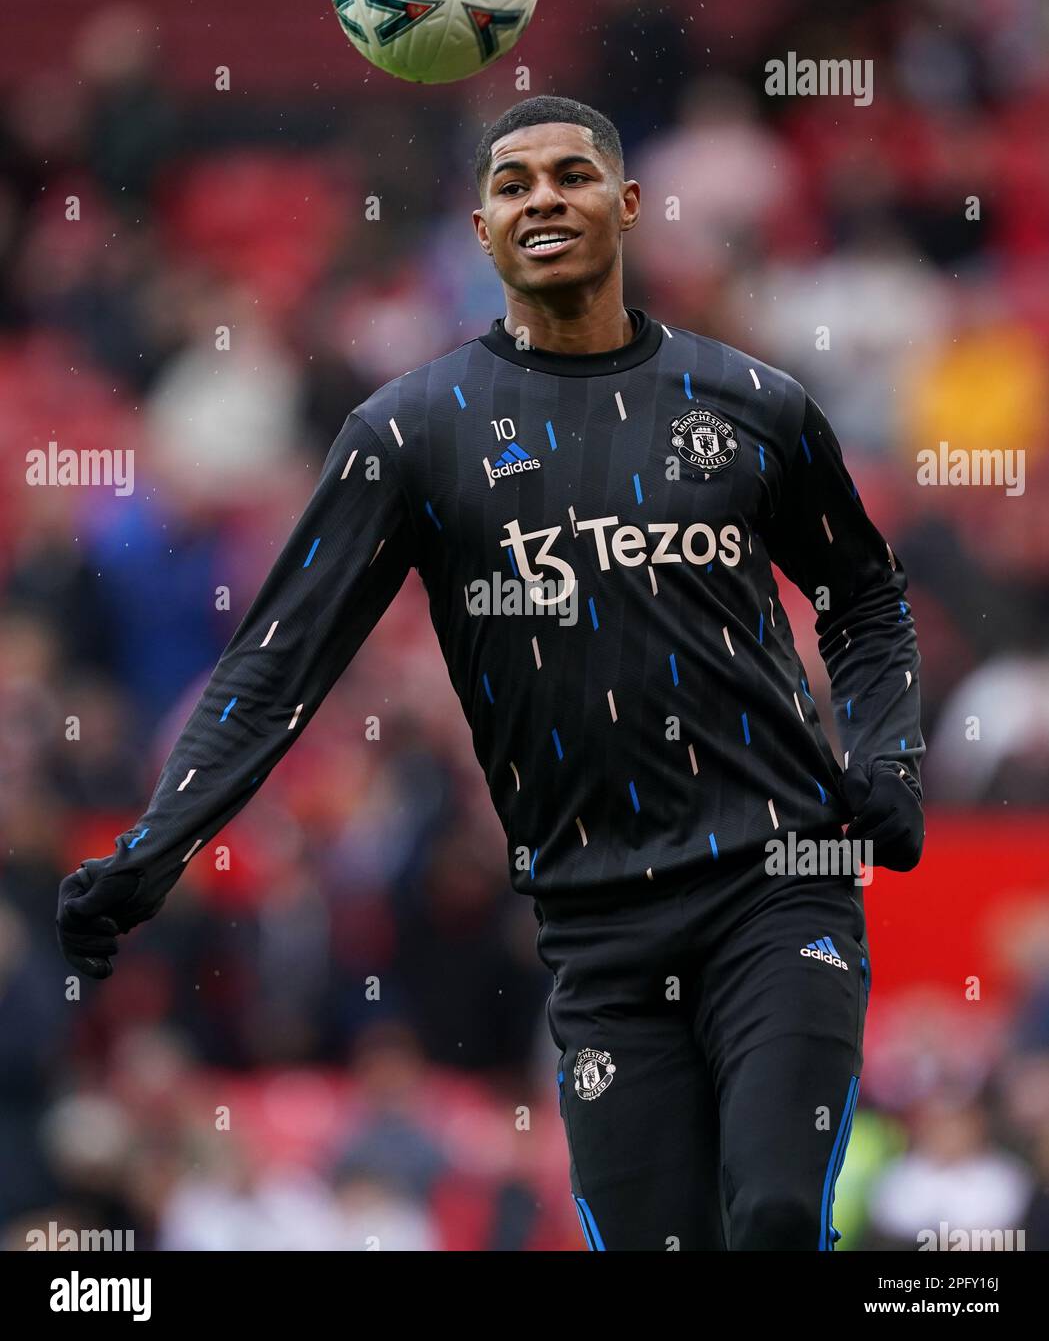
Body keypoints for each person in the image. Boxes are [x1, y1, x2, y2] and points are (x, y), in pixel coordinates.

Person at [56, 95, 925, 1252]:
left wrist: (885, 751)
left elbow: (861, 593)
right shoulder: (411, 432)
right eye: (513, 186)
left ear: (623, 205)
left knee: (769, 1215)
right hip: (595, 929)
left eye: (571, 176)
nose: (543, 200)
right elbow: (274, 669)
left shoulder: (753, 405)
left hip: (778, 886)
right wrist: (153, 846)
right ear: (479, 231)